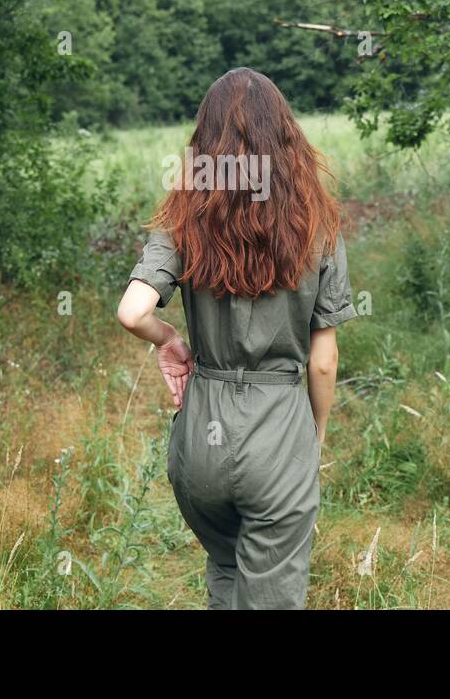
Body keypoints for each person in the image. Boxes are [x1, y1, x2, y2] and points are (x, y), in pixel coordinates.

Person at [115, 67, 357, 609]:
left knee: (227, 570)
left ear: (207, 141)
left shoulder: (184, 216)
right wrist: (312, 433)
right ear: (286, 136)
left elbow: (133, 311)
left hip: (202, 437)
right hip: (276, 430)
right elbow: (323, 361)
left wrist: (168, 339)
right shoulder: (317, 223)